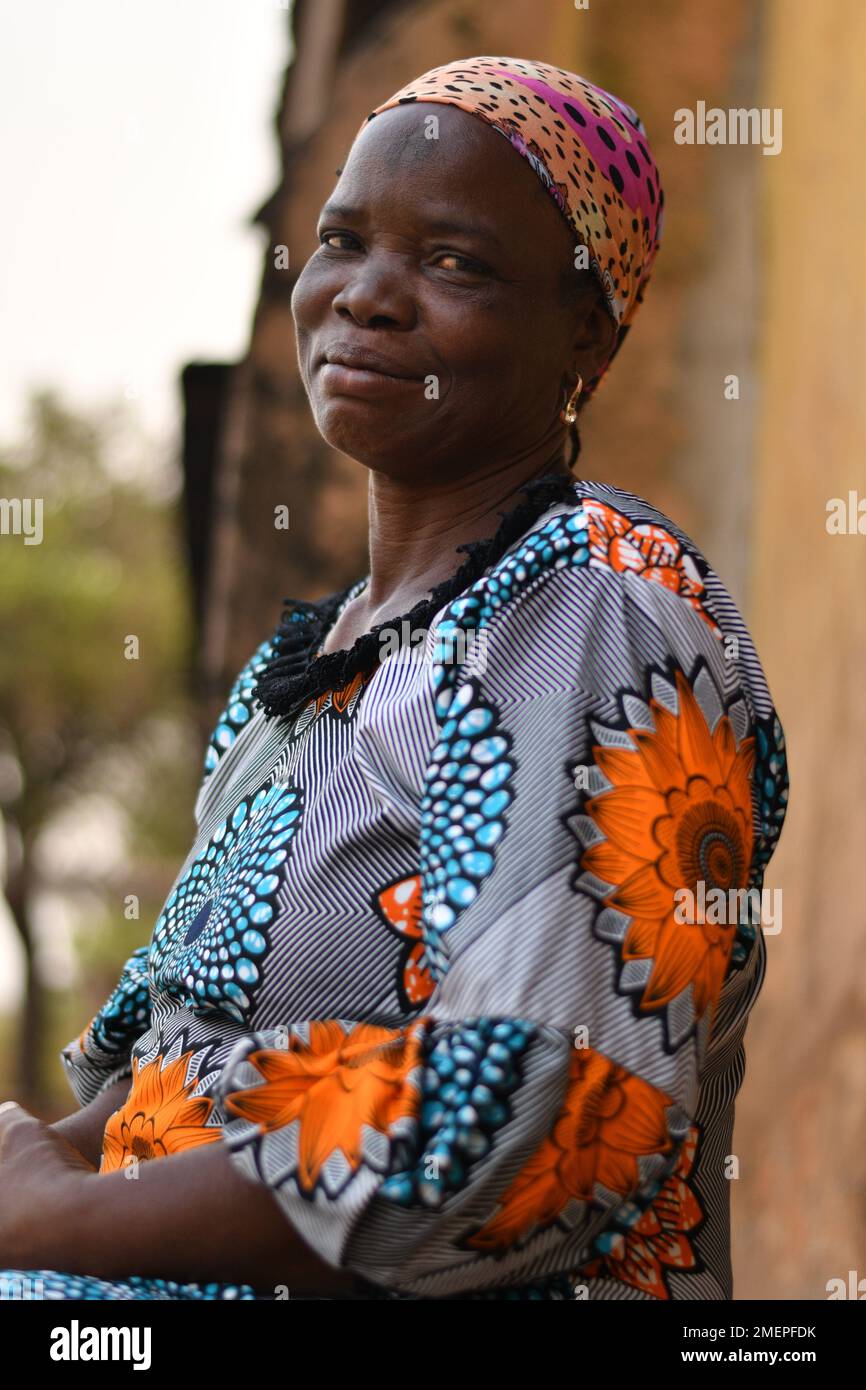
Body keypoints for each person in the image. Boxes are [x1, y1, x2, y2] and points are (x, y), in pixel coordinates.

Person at [0, 56, 787, 1301]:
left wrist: (60, 1231)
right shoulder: (304, 673)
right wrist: (47, 1156)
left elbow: (562, 1096)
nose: (365, 297)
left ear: (587, 329)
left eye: (455, 262)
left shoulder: (599, 601)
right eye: (341, 241)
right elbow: (181, 1065)